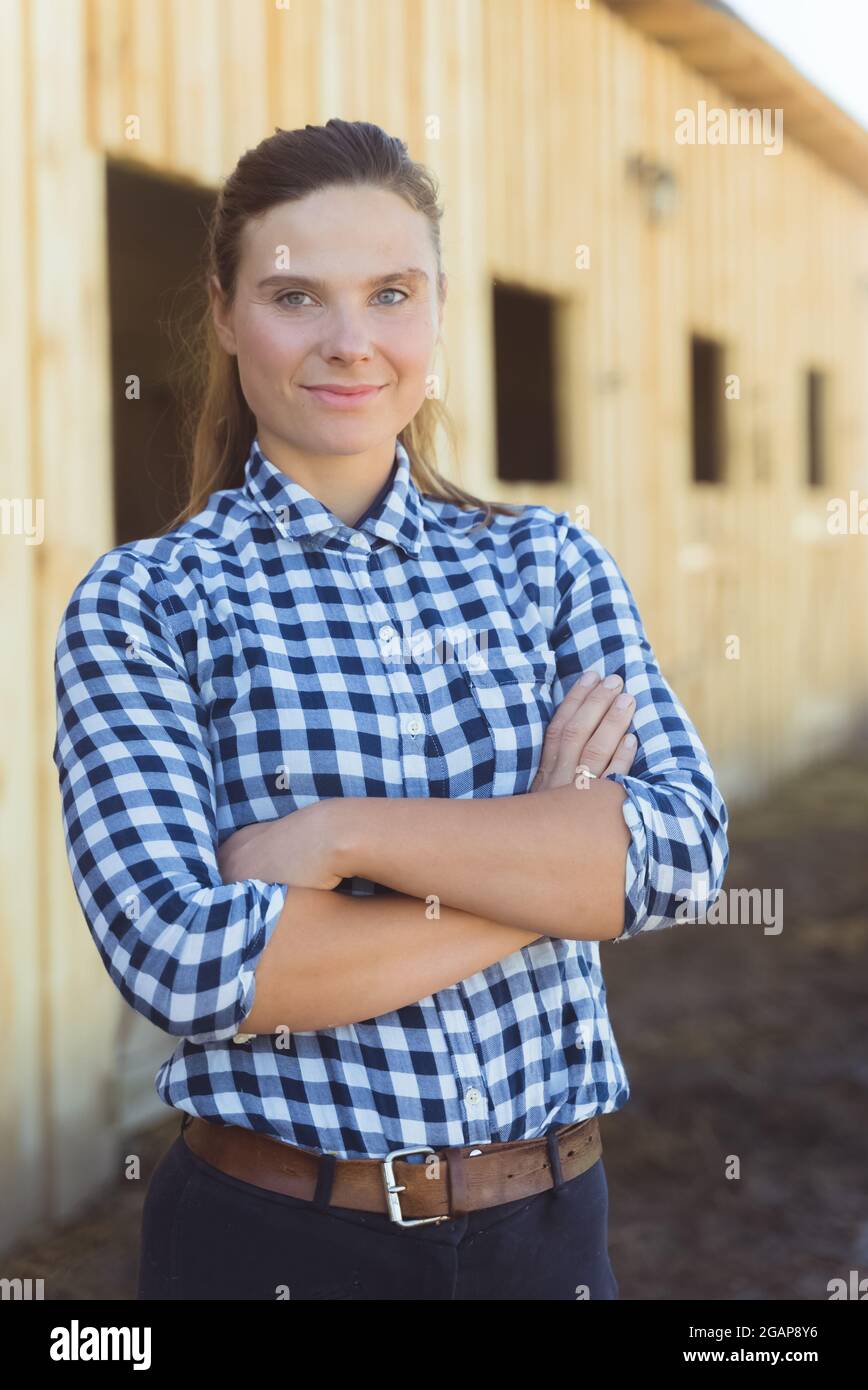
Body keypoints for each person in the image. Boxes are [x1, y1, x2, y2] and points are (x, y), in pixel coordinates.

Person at [51, 118, 730, 1301]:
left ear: (439, 311)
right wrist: (547, 855)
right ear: (223, 313)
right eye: (296, 295)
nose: (351, 341)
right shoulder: (147, 602)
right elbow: (192, 964)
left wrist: (345, 840)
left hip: (550, 1237)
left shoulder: (545, 565)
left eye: (391, 293)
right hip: (275, 1244)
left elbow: (676, 851)